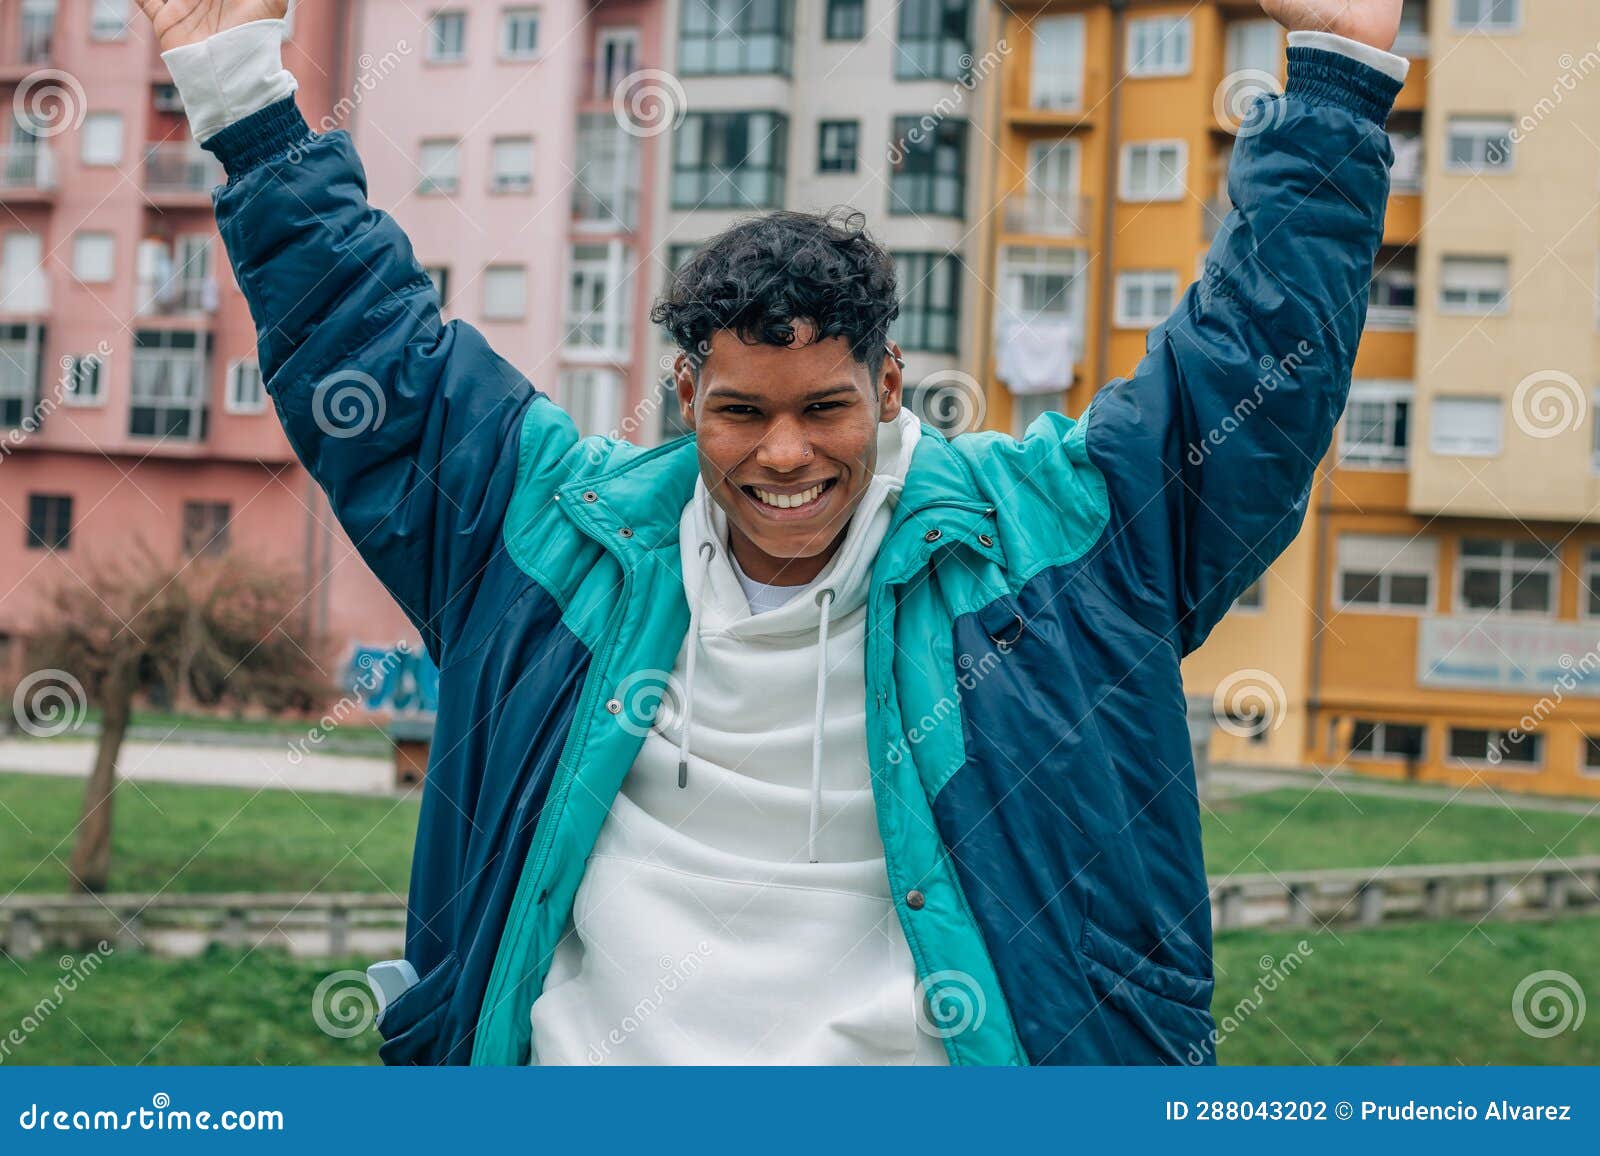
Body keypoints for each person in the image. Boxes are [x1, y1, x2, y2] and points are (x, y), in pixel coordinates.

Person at [139, 0, 1408, 1065]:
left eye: (825, 410)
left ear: (892, 386)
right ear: (686, 397)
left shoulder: (1055, 550)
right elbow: (374, 354)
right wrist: (240, 83)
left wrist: (1340, 80)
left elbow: (1253, 366)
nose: (785, 456)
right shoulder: (551, 543)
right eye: (741, 411)